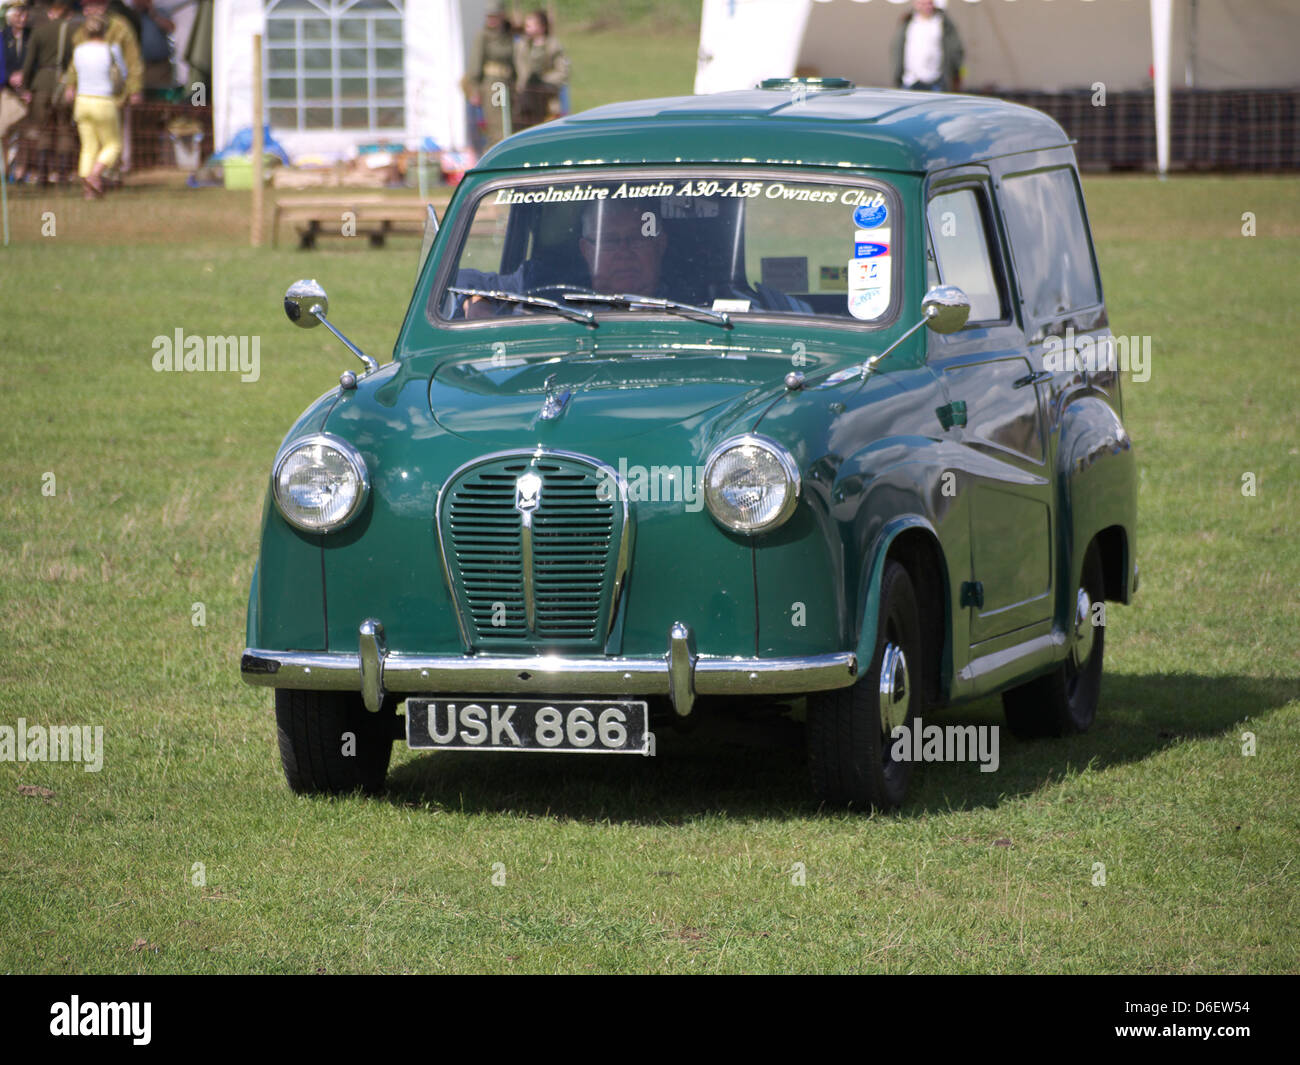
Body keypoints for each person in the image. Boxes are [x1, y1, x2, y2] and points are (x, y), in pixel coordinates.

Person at [20, 0, 77, 185]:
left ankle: (42, 173)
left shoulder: (39, 31)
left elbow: (28, 64)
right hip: (64, 84)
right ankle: (62, 175)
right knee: (64, 129)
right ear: (68, 14)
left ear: (51, 13)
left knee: (42, 129)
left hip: (42, 83)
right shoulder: (74, 32)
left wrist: (25, 87)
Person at [67, 11, 123, 197]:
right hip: (103, 100)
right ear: (105, 30)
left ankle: (88, 191)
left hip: (82, 101)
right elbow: (122, 73)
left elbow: (73, 74)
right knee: (112, 145)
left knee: (88, 146)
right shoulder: (111, 50)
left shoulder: (79, 50)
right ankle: (94, 175)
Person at [462, 1, 516, 151]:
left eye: (495, 16)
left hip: (507, 84)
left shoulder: (507, 36)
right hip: (492, 86)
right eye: (489, 16)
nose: (491, 20)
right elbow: (475, 65)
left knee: (508, 126)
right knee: (497, 129)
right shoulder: (483, 37)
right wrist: (474, 89)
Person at [890, 0, 963, 93]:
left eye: (929, 3)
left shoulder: (942, 22)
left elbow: (956, 49)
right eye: (922, 3)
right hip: (911, 80)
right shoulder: (908, 22)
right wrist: (897, 75)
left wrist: (956, 73)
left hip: (936, 80)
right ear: (915, 4)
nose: (926, 7)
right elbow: (897, 49)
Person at [513, 9, 568, 131]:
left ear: (542, 27)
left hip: (547, 100)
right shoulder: (522, 45)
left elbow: (563, 72)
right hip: (525, 101)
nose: (526, 28)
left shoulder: (553, 46)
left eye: (529, 25)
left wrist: (544, 80)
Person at [0, 1, 32, 177]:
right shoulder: (3, 37)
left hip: (27, 92)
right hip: (7, 92)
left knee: (26, 133)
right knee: (3, 129)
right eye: (19, 14)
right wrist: (10, 77)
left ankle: (21, 170)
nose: (23, 18)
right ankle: (4, 168)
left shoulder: (31, 36)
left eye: (25, 14)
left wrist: (25, 78)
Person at [132, 0, 173, 92]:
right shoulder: (131, 15)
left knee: (161, 99)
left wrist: (153, 14)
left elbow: (170, 28)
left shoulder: (159, 11)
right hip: (139, 67)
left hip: (160, 67)